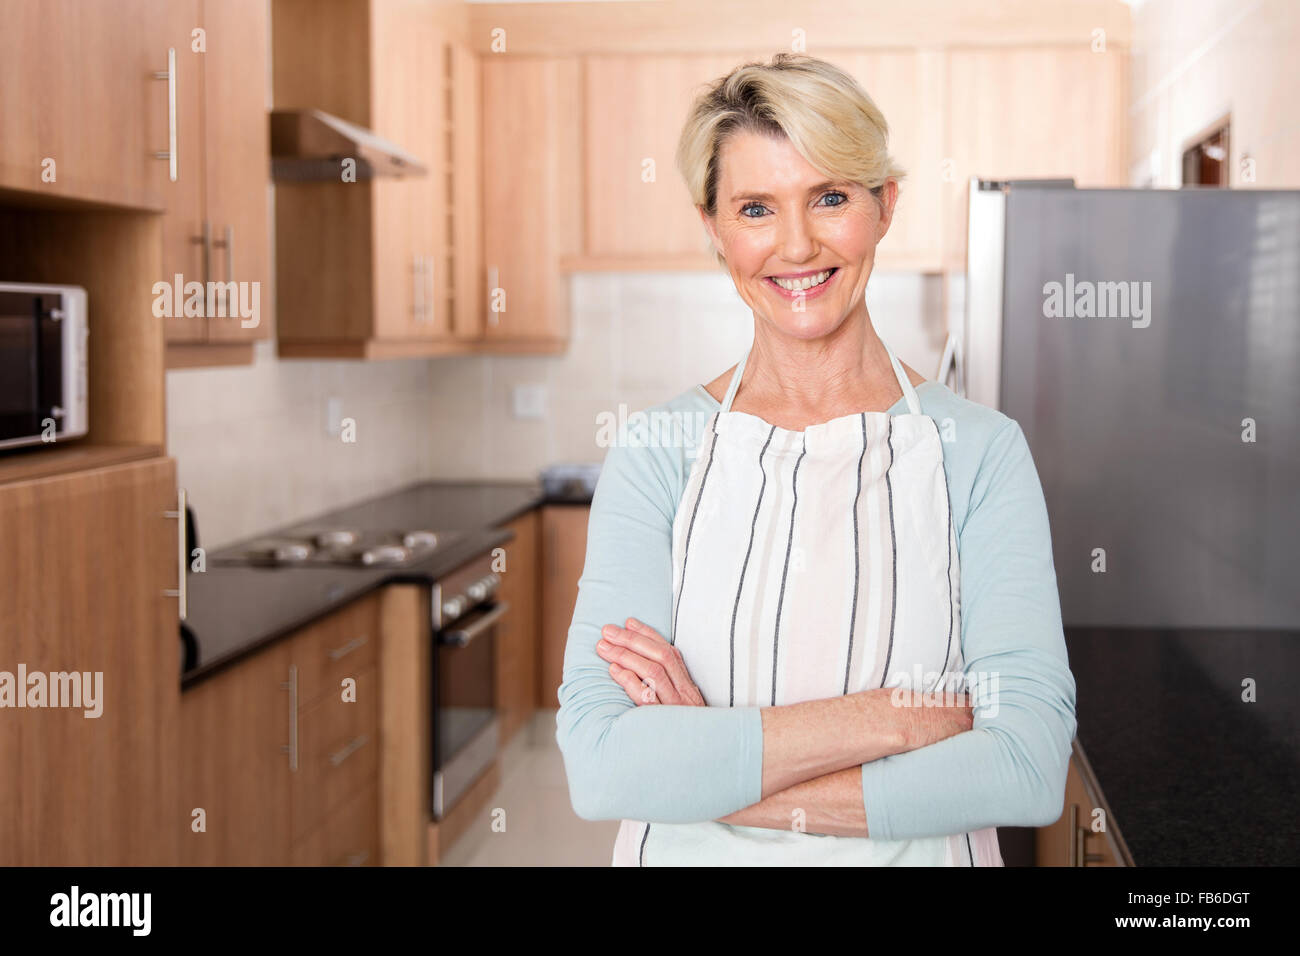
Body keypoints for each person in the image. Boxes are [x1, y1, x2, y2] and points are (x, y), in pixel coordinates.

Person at [555, 52, 1077, 866]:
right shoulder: (658, 453)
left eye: (830, 198)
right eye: (756, 207)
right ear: (714, 228)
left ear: (884, 206)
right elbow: (599, 765)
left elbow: (1027, 766)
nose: (796, 246)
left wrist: (701, 761)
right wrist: (896, 719)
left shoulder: (981, 454)